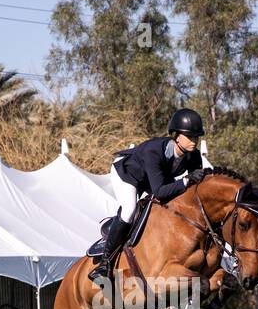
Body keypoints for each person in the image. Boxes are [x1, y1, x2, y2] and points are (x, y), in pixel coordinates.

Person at [88, 108, 206, 282]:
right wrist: (186, 181)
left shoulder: (194, 156)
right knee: (129, 209)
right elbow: (160, 190)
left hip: (152, 177)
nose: (194, 141)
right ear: (177, 137)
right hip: (127, 173)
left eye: (196, 137)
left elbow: (192, 188)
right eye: (190, 137)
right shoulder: (154, 152)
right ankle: (104, 265)